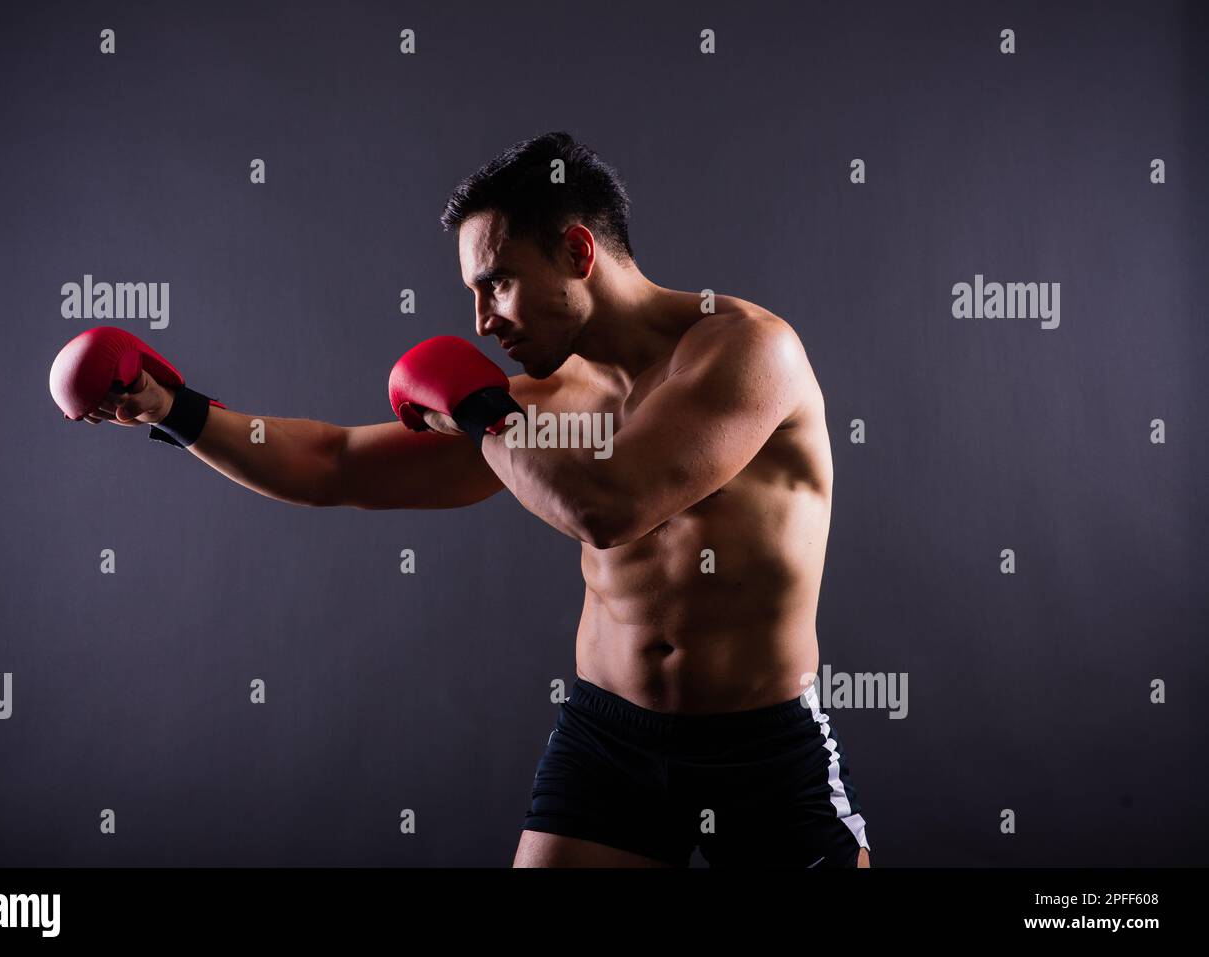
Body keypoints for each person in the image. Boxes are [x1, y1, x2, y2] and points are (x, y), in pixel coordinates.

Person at [62, 131, 870, 868]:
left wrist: (483, 411)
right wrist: (174, 411)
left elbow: (613, 506)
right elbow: (335, 464)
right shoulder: (548, 403)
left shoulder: (749, 351)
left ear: (579, 251)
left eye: (499, 284)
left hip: (759, 747)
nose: (481, 321)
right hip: (610, 739)